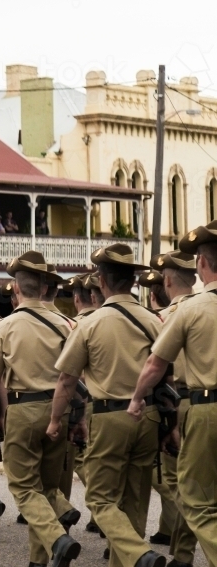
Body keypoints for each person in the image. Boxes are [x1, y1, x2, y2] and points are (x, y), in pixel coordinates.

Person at [49, 243, 165, 567]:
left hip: (111, 415)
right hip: (150, 412)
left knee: (100, 499)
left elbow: (66, 381)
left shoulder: (89, 323)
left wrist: (56, 419)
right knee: (135, 499)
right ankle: (130, 559)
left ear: (101, 282)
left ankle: (139, 554)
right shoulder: (155, 321)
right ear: (134, 282)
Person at [0, 252, 81, 567]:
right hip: (57, 408)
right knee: (46, 488)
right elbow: (72, 378)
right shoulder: (67, 324)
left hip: (23, 409)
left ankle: (57, 538)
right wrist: (64, 416)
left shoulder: (5, 326)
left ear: (16, 290)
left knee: (23, 486)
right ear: (45, 288)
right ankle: (39, 559)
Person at [129, 222, 217, 567]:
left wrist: (137, 397)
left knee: (194, 497)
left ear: (201, 264)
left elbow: (154, 364)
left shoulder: (191, 309)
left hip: (203, 406)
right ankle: (181, 557)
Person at [145, 252, 200, 563]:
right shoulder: (207, 306)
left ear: (166, 281)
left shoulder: (166, 317)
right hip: (202, 398)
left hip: (177, 403)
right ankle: (181, 554)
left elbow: (154, 366)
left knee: (177, 482)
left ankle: (182, 553)